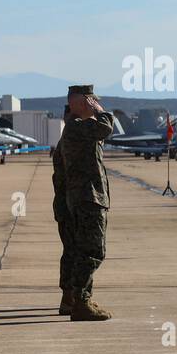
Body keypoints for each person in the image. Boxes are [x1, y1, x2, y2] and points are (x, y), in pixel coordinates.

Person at [60, 84, 115, 321]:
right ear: (81, 102)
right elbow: (105, 128)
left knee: (83, 250)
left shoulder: (76, 128)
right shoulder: (78, 127)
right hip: (88, 198)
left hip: (85, 197)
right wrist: (101, 110)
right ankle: (81, 302)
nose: (94, 105)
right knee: (92, 251)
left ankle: (77, 299)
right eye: (91, 101)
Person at [52, 104, 76, 315]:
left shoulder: (68, 140)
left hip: (69, 205)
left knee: (73, 252)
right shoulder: (69, 141)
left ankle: (70, 297)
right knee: (73, 252)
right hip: (69, 206)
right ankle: (69, 297)